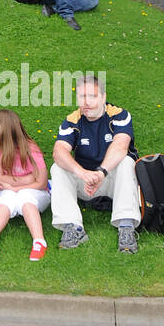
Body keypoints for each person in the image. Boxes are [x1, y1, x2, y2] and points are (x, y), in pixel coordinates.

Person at [50, 74, 140, 252]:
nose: (86, 102)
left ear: (103, 97)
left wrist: (101, 172)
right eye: (82, 96)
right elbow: (58, 151)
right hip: (88, 184)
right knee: (57, 167)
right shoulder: (72, 121)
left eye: (92, 96)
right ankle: (73, 227)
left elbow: (121, 146)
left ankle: (126, 227)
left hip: (115, 183)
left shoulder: (119, 115)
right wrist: (83, 173)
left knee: (127, 162)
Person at [0, 110, 50, 262]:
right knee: (6, 199)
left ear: (2, 129)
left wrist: (15, 187)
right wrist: (28, 178)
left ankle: (39, 241)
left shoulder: (31, 148)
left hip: (36, 191)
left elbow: (42, 182)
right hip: (8, 189)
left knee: (26, 198)